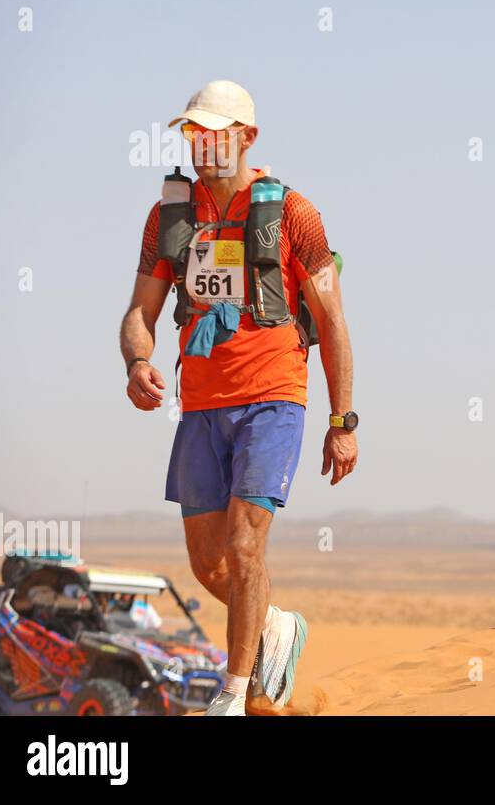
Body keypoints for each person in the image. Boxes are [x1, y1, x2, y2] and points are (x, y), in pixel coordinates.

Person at [120, 80, 358, 715]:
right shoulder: (170, 215)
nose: (202, 145)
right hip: (200, 404)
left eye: (215, 132)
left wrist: (343, 419)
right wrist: (138, 359)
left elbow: (332, 321)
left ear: (247, 137)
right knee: (208, 564)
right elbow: (141, 310)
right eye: (193, 133)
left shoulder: (294, 214)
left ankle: (233, 692)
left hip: (274, 397)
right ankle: (274, 625)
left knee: (246, 546)